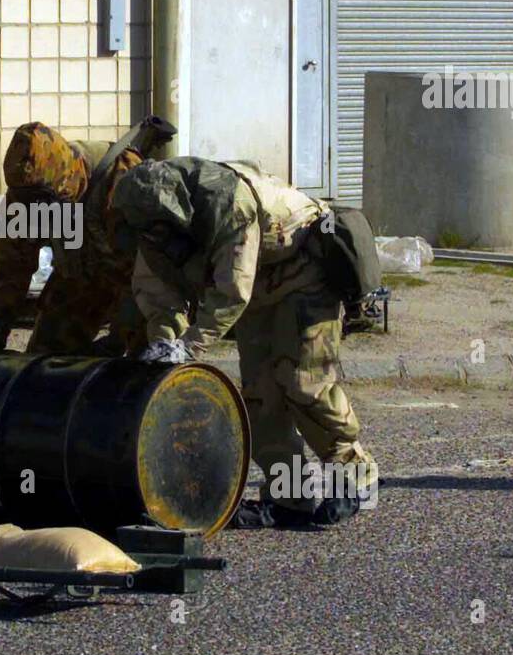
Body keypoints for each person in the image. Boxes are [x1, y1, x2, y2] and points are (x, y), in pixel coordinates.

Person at [111, 156, 378, 526]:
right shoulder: (149, 225)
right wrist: (165, 347)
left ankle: (353, 477)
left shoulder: (229, 204)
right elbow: (159, 299)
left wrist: (188, 348)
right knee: (260, 396)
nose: (157, 236)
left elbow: (231, 292)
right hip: (259, 293)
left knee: (304, 382)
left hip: (305, 276)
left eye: (161, 227)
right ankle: (290, 498)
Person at [0, 116, 175, 357]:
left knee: (144, 363)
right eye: (31, 202)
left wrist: (119, 338)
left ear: (67, 179)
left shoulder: (125, 180)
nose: (39, 209)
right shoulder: (28, 192)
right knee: (46, 361)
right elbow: (11, 263)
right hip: (81, 278)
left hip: (140, 286)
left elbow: (153, 272)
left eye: (44, 201)